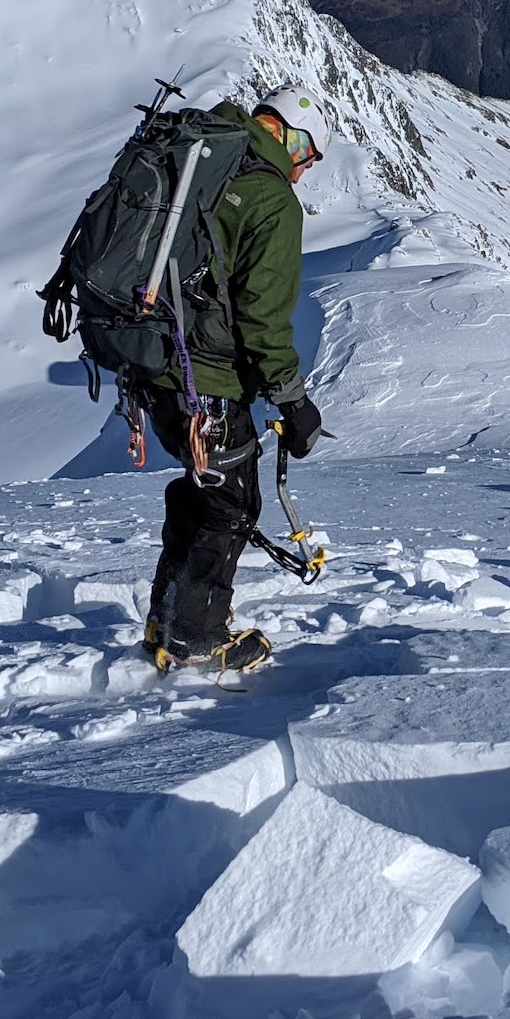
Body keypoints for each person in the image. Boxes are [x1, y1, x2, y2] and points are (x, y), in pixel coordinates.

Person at [140, 88, 330, 674]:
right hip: (207, 377)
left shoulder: (201, 158)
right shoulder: (270, 200)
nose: (304, 169)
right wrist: (293, 401)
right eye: (309, 155)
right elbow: (263, 318)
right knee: (230, 501)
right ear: (290, 135)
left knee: (204, 489)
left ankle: (165, 620)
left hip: (153, 360)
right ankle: (197, 636)